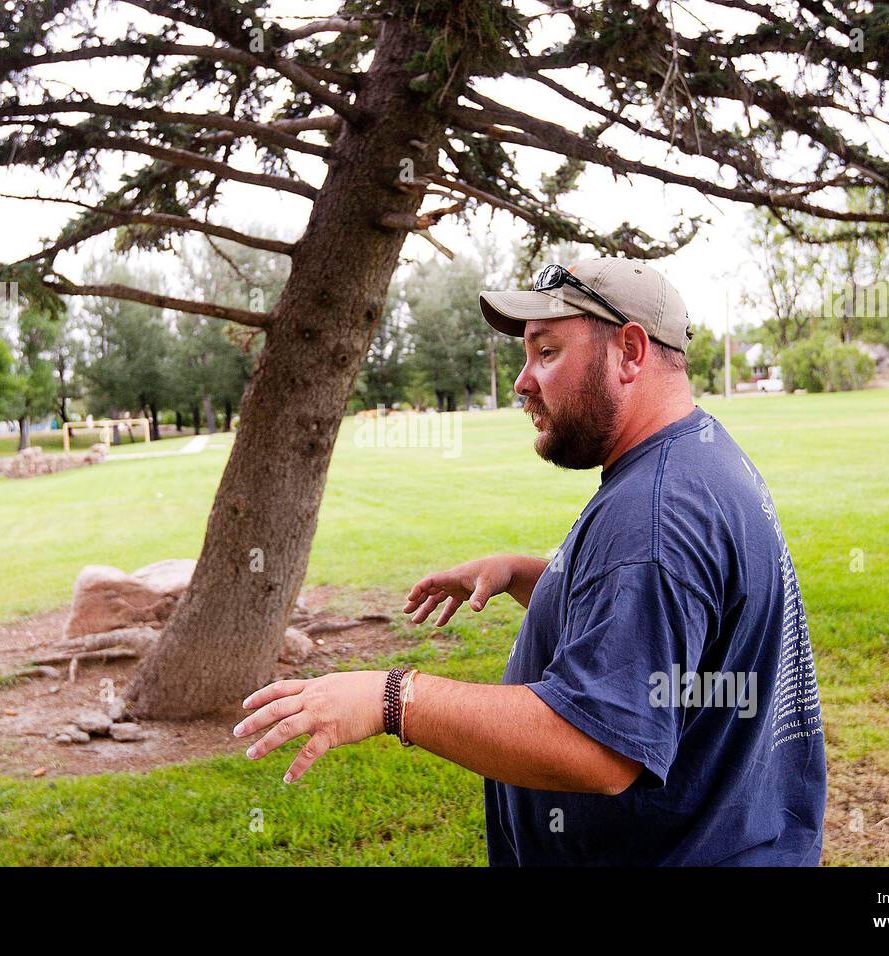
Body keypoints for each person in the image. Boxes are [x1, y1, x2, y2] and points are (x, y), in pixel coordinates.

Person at [234, 257, 826, 865]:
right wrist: (529, 576)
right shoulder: (700, 460)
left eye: (546, 352)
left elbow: (598, 746)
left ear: (629, 352)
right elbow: (672, 622)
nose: (521, 382)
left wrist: (393, 699)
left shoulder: (655, 512)